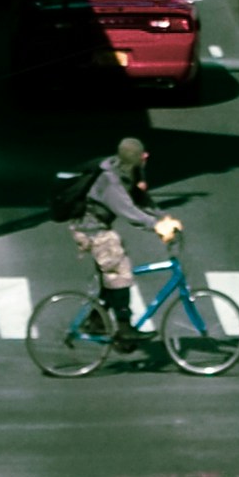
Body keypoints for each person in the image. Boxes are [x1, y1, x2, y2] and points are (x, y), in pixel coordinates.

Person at [73, 134, 183, 336]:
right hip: (91, 230)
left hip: (99, 227)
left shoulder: (129, 172)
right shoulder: (111, 182)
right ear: (136, 158)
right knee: (120, 272)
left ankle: (96, 321)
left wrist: (164, 218)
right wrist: (157, 227)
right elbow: (129, 211)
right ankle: (124, 329)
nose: (146, 156)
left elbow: (142, 202)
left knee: (112, 277)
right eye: (143, 154)